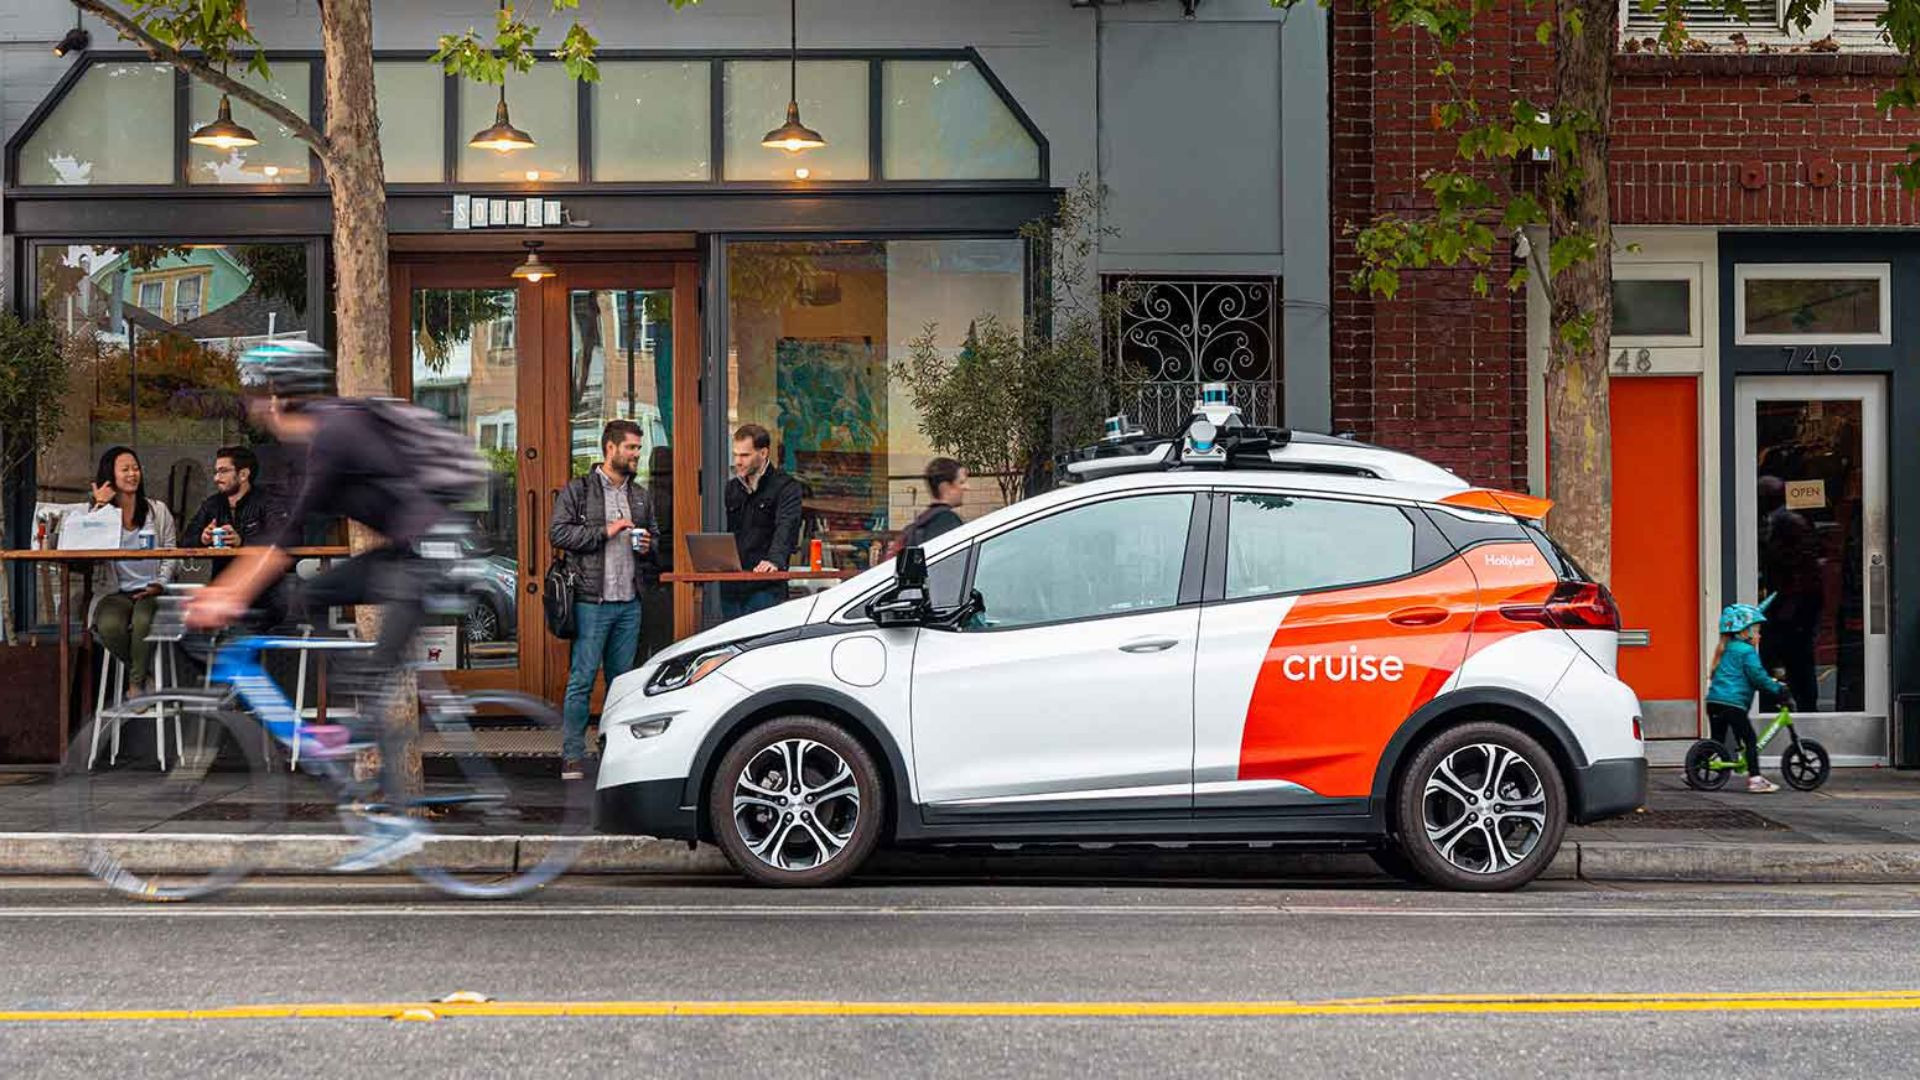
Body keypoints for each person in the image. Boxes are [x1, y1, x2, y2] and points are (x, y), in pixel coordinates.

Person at [185, 340, 464, 871]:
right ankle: (347, 732)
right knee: (307, 594)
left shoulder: (335, 435)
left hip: (433, 555)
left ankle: (391, 821)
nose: (251, 407)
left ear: (275, 397)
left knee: (370, 676)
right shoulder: (319, 438)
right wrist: (228, 593)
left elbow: (285, 536)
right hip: (406, 552)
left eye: (256, 395)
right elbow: (283, 533)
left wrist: (224, 597)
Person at [548, 420, 658, 781]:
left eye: (639, 449)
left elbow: (654, 539)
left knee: (622, 684)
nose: (636, 455)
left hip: (629, 601)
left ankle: (614, 752)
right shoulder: (579, 490)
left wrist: (647, 545)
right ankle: (572, 755)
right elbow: (558, 532)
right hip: (591, 601)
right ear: (610, 449)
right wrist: (604, 532)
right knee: (581, 679)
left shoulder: (640, 495)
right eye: (631, 448)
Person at [85, 446, 178, 696]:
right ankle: (143, 675)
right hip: (116, 593)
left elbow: (171, 553)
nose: (132, 474)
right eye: (125, 469)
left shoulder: (157, 511)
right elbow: (86, 545)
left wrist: (159, 583)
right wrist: (99, 507)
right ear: (111, 475)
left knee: (143, 620)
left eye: (135, 468)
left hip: (153, 590)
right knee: (109, 625)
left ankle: (136, 686)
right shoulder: (102, 514)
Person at [721, 423, 802, 620]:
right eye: (735, 455)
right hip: (733, 585)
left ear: (763, 453)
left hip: (766, 586)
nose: (737, 461)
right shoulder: (732, 488)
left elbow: (787, 527)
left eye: (744, 455)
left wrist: (774, 559)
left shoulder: (786, 487)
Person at [1706, 602, 1789, 794]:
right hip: (1733, 704)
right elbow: (1757, 676)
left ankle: (1697, 768)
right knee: (1750, 739)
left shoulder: (1726, 649)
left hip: (1714, 702)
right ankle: (1756, 779)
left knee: (1716, 741)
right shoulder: (1746, 651)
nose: (1759, 635)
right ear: (1745, 632)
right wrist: (1777, 689)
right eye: (1756, 630)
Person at [1756, 475, 1822, 711]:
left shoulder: (1789, 523)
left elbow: (1803, 568)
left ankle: (1801, 707)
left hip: (1794, 604)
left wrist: (1789, 605)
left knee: (1794, 657)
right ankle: (1793, 704)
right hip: (1788, 602)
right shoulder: (1783, 520)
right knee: (1793, 658)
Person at [183, 445, 283, 550]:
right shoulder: (212, 504)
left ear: (243, 474)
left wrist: (242, 541)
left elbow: (285, 540)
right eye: (216, 472)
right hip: (224, 567)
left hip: (258, 566)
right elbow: (185, 541)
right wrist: (203, 538)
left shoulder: (267, 502)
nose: (216, 478)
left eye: (223, 471)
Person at [893, 457, 968, 555]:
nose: (967, 487)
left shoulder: (922, 522)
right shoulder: (946, 520)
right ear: (945, 487)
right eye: (961, 482)